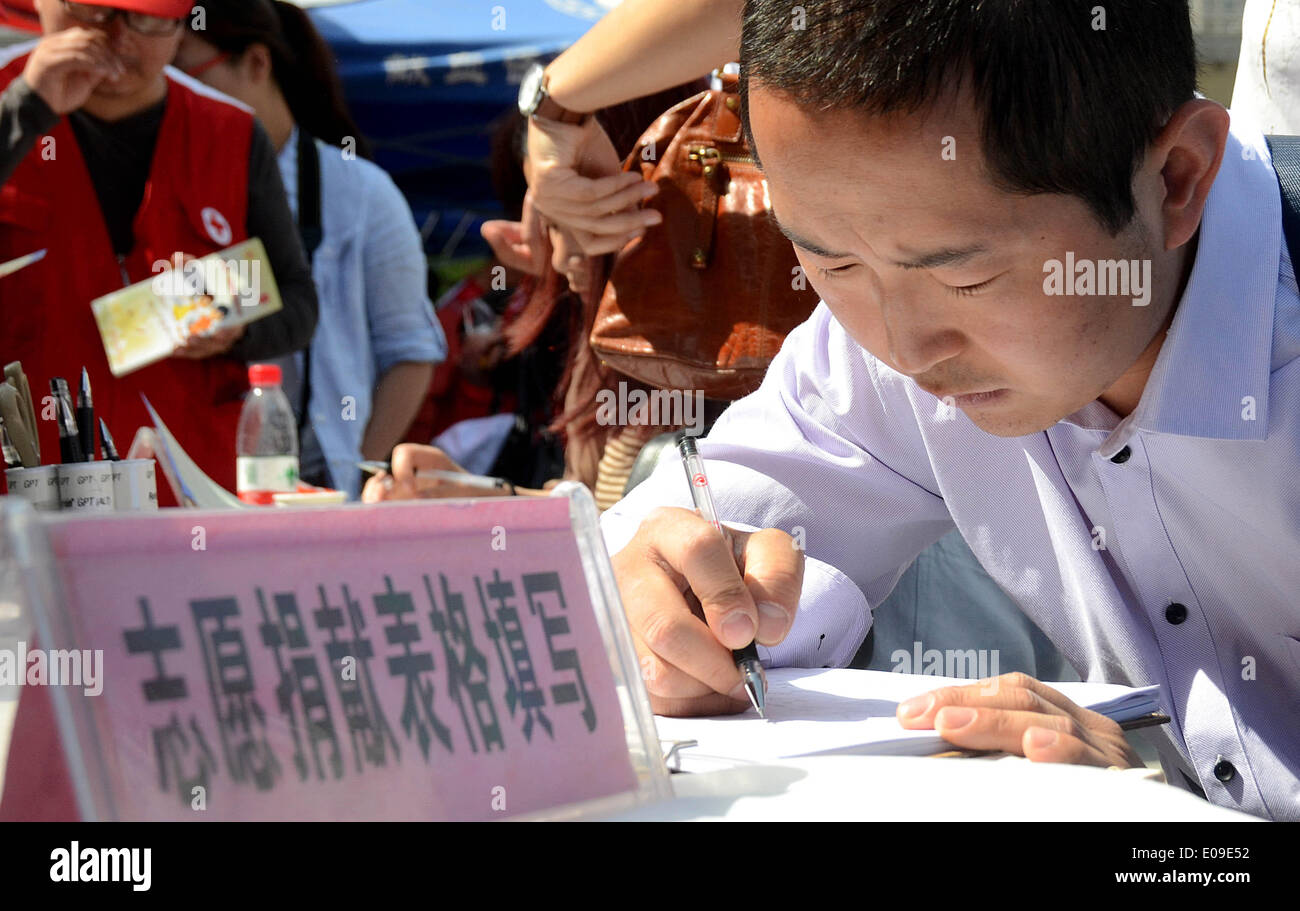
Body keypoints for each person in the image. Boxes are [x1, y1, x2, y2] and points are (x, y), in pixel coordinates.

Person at [597, 0, 1299, 821]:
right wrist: (672, 603)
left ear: (1176, 177)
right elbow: (644, 566)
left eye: (965, 279)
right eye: (829, 260)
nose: (903, 347)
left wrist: (1166, 804)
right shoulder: (880, 335)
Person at [0, 0, 318, 493]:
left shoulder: (230, 132)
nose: (119, 36)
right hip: (30, 492)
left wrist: (234, 319)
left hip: (193, 490)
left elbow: (296, 299)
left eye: (148, 17)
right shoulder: (9, 107)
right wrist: (25, 110)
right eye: (91, 10)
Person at [172, 0, 445, 499]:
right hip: (193, 481)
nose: (174, 98)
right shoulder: (170, 187)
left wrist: (357, 476)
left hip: (318, 487)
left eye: (186, 75)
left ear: (257, 64)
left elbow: (409, 352)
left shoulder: (360, 192)